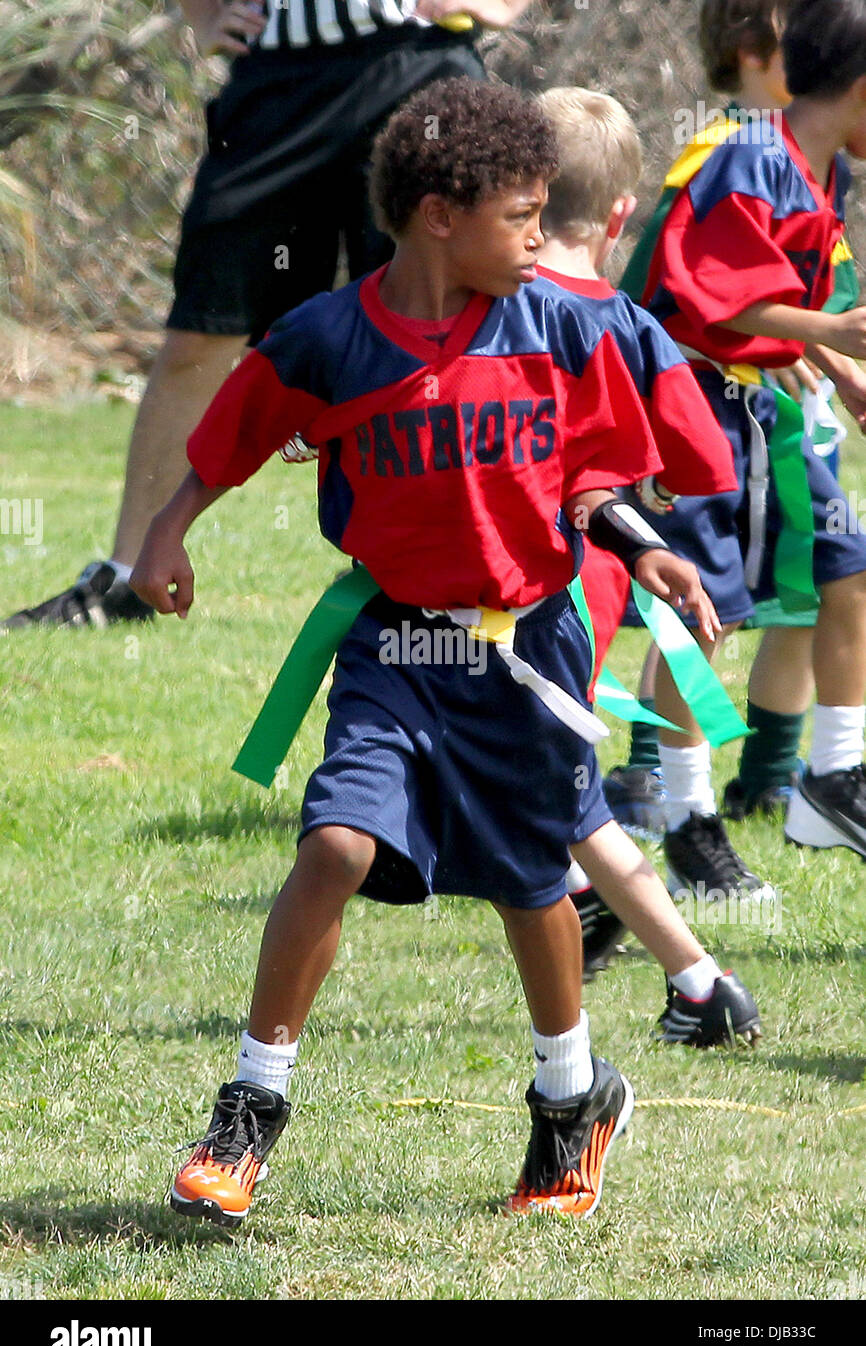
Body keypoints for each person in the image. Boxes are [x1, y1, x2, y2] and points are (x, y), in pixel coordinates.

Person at [130, 78, 747, 1225]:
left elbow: (595, 469)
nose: (539, 237)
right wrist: (168, 528)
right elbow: (237, 432)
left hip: (526, 647)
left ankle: (571, 1096)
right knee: (334, 845)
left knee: (529, 882)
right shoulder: (327, 336)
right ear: (436, 216)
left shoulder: (561, 322)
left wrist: (646, 548)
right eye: (521, 216)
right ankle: (249, 1108)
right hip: (395, 647)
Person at [2, 0, 530, 630]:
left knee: (434, 327)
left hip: (420, 70)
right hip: (277, 79)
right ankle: (124, 583)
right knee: (202, 329)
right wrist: (198, 14)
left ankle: (453, 583)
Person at [533, 85, 765, 1025]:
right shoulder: (633, 326)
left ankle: (697, 979)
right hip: (590, 574)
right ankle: (663, 955)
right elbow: (706, 458)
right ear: (622, 214)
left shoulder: (471, 310)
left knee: (559, 787)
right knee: (549, 779)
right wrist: (652, 487)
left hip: (517, 590)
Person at [613, 0, 866, 859]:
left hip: (763, 410)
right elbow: (701, 298)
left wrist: (841, 372)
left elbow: (794, 306)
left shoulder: (823, 167)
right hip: (692, 407)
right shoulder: (747, 153)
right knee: (700, 611)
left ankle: (831, 779)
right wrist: (830, 337)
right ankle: (682, 818)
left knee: (847, 569)